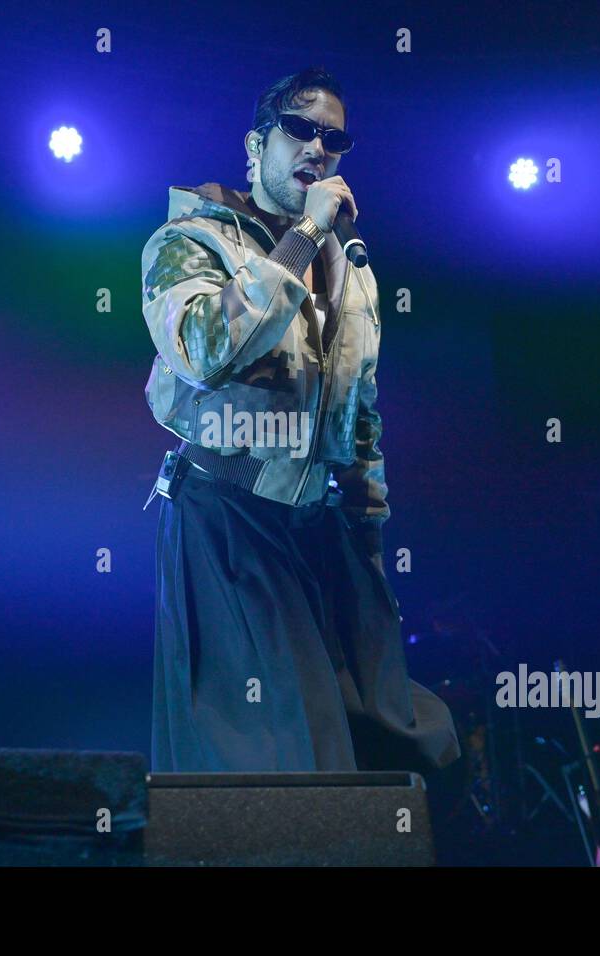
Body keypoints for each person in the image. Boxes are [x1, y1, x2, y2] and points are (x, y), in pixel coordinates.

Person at [141, 67, 460, 779]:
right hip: (227, 511)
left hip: (317, 524)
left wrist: (368, 525)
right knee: (276, 749)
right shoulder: (191, 240)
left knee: (378, 734)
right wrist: (306, 234)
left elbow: (357, 405)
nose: (318, 146)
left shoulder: (352, 268)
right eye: (300, 129)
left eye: (334, 137)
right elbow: (202, 349)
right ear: (256, 146)